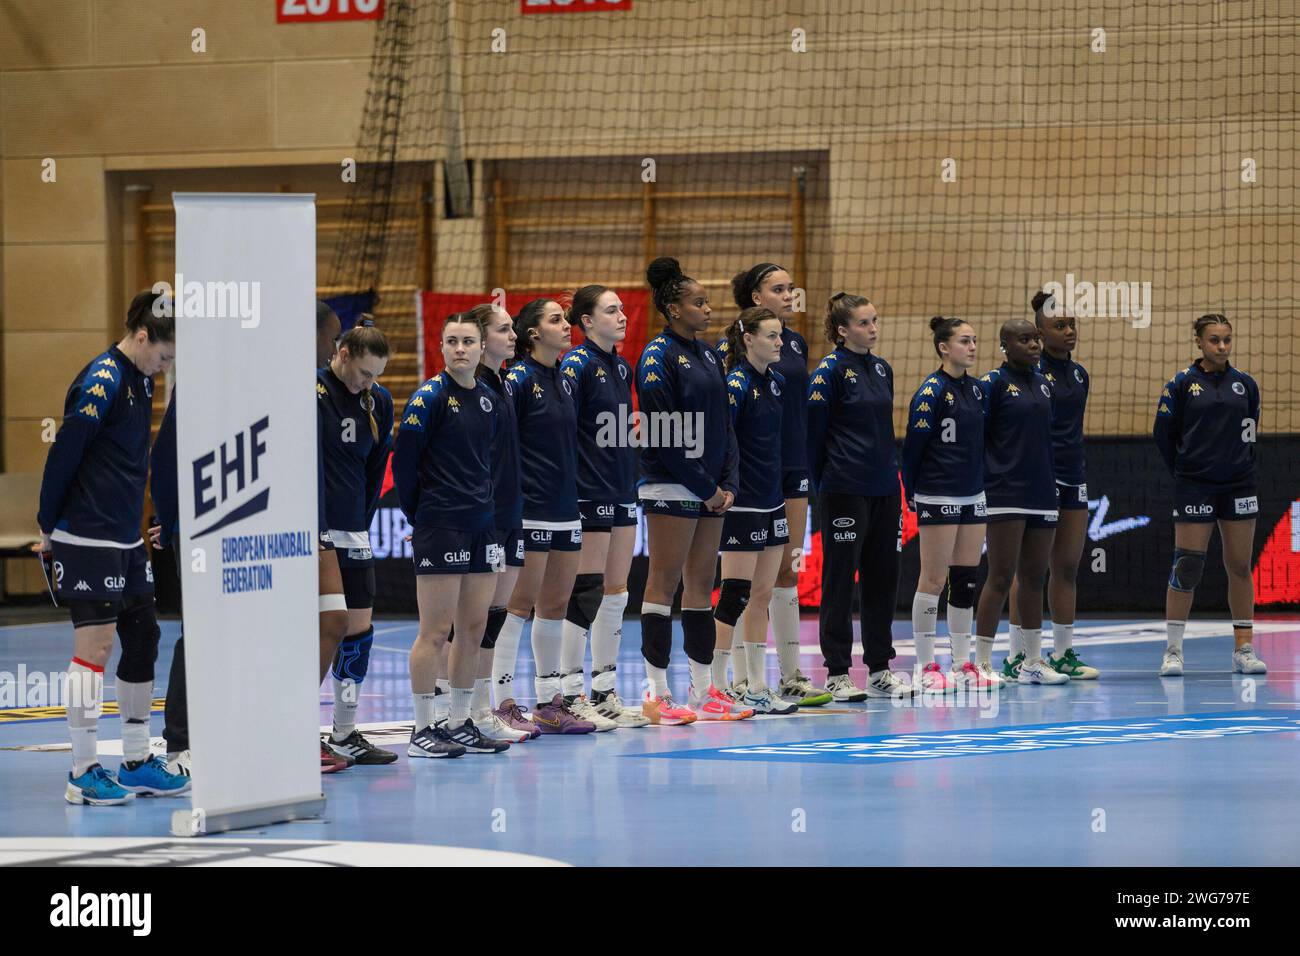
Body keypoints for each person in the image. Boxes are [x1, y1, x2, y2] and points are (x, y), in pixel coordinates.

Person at [36, 289, 189, 804]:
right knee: (95, 648)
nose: (164, 366)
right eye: (163, 356)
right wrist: (47, 524)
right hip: (86, 534)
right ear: (142, 337)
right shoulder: (103, 380)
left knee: (144, 637)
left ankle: (136, 759)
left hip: (124, 536)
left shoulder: (141, 378)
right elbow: (64, 454)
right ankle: (82, 771)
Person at [394, 311, 510, 757]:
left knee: (474, 628)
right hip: (441, 525)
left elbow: (490, 463)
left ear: (482, 348)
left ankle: (461, 721)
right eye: (451, 341)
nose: (460, 349)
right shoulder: (429, 398)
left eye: (468, 341)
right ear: (441, 348)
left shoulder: (487, 400)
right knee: (435, 630)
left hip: (482, 526)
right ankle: (424, 729)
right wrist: (421, 517)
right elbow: (405, 464)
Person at [636, 257, 744, 723]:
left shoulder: (707, 354)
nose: (707, 309)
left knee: (702, 585)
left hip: (710, 489)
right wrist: (704, 487)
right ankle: (656, 693)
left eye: (707, 301)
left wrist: (728, 482)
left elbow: (724, 423)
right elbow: (663, 433)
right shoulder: (656, 357)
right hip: (670, 484)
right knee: (663, 583)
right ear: (673, 310)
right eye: (698, 302)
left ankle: (704, 691)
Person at [720, 263, 830, 707]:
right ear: (755, 299)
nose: (789, 295)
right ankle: (746, 680)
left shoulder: (795, 343)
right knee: (746, 581)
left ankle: (791, 676)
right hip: (754, 477)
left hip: (793, 469)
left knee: (788, 568)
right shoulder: (732, 356)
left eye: (790, 288)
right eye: (778, 289)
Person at [490, 299, 596, 734]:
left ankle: (549, 702)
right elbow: (499, 446)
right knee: (517, 606)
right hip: (530, 509)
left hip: (565, 507)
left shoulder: (566, 379)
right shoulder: (516, 380)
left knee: (554, 605)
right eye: (556, 320)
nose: (566, 325)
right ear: (533, 333)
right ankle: (503, 702)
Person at [805, 293, 916, 700]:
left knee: (883, 578)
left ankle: (880, 668)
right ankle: (836, 671)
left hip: (886, 490)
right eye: (864, 323)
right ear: (842, 330)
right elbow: (812, 441)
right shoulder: (827, 373)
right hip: (844, 491)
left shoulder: (882, 369)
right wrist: (828, 487)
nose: (873, 329)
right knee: (838, 581)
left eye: (874, 321)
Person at [1153, 314, 1266, 677]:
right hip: (1194, 485)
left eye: (1227, 340)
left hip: (1239, 485)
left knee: (1239, 565)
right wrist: (1186, 472)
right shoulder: (1181, 384)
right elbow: (1163, 435)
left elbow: (1250, 432)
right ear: (1199, 342)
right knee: (1188, 565)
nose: (1222, 346)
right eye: (1214, 340)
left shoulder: (1245, 385)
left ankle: (1243, 649)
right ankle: (1173, 651)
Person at [558, 286, 650, 727]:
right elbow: (561, 428)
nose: (622, 316)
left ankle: (604, 690)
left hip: (620, 489)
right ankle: (571, 693)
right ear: (587, 321)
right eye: (611, 311)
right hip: (587, 491)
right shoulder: (576, 364)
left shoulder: (621, 365)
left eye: (622, 309)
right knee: (586, 591)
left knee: (618, 592)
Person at [1006, 292, 1099, 680]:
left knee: (1067, 567)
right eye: (1060, 325)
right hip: (1037, 479)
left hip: (1072, 477)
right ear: (1040, 332)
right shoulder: (1031, 373)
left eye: (1072, 324)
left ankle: (1063, 653)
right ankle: (1017, 656)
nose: (1069, 331)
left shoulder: (1079, 375)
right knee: (1028, 572)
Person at [319, 321, 398, 764]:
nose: (370, 382)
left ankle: (346, 732)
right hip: (317, 532)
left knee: (359, 632)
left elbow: (375, 470)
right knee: (322, 630)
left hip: (354, 530)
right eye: (365, 372)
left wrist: (362, 524)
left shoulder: (378, 400)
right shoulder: (314, 392)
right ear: (343, 353)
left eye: (377, 375)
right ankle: (297, 731)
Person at [900, 316, 988, 692]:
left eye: (973, 341)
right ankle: (924, 666)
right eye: (964, 341)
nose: (971, 347)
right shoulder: (931, 392)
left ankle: (962, 663)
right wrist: (915, 494)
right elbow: (912, 450)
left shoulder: (978, 390)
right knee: (933, 579)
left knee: (965, 580)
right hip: (938, 493)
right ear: (943, 347)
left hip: (973, 493)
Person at [975, 319, 1066, 685]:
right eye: (1025, 339)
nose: (1034, 345)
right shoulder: (991, 385)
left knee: (1034, 577)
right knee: (999, 576)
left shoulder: (1044, 384)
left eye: (1036, 339)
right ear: (1004, 345)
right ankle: (980, 663)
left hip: (1042, 492)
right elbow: (976, 439)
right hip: (1004, 493)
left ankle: (1031, 661)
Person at [708, 307, 785, 716]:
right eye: (771, 336)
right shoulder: (734, 385)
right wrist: (725, 488)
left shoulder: (776, 383)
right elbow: (721, 442)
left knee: (763, 595)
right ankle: (717, 686)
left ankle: (755, 685)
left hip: (772, 500)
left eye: (780, 335)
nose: (779, 343)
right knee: (735, 594)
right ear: (749, 338)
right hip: (743, 503)